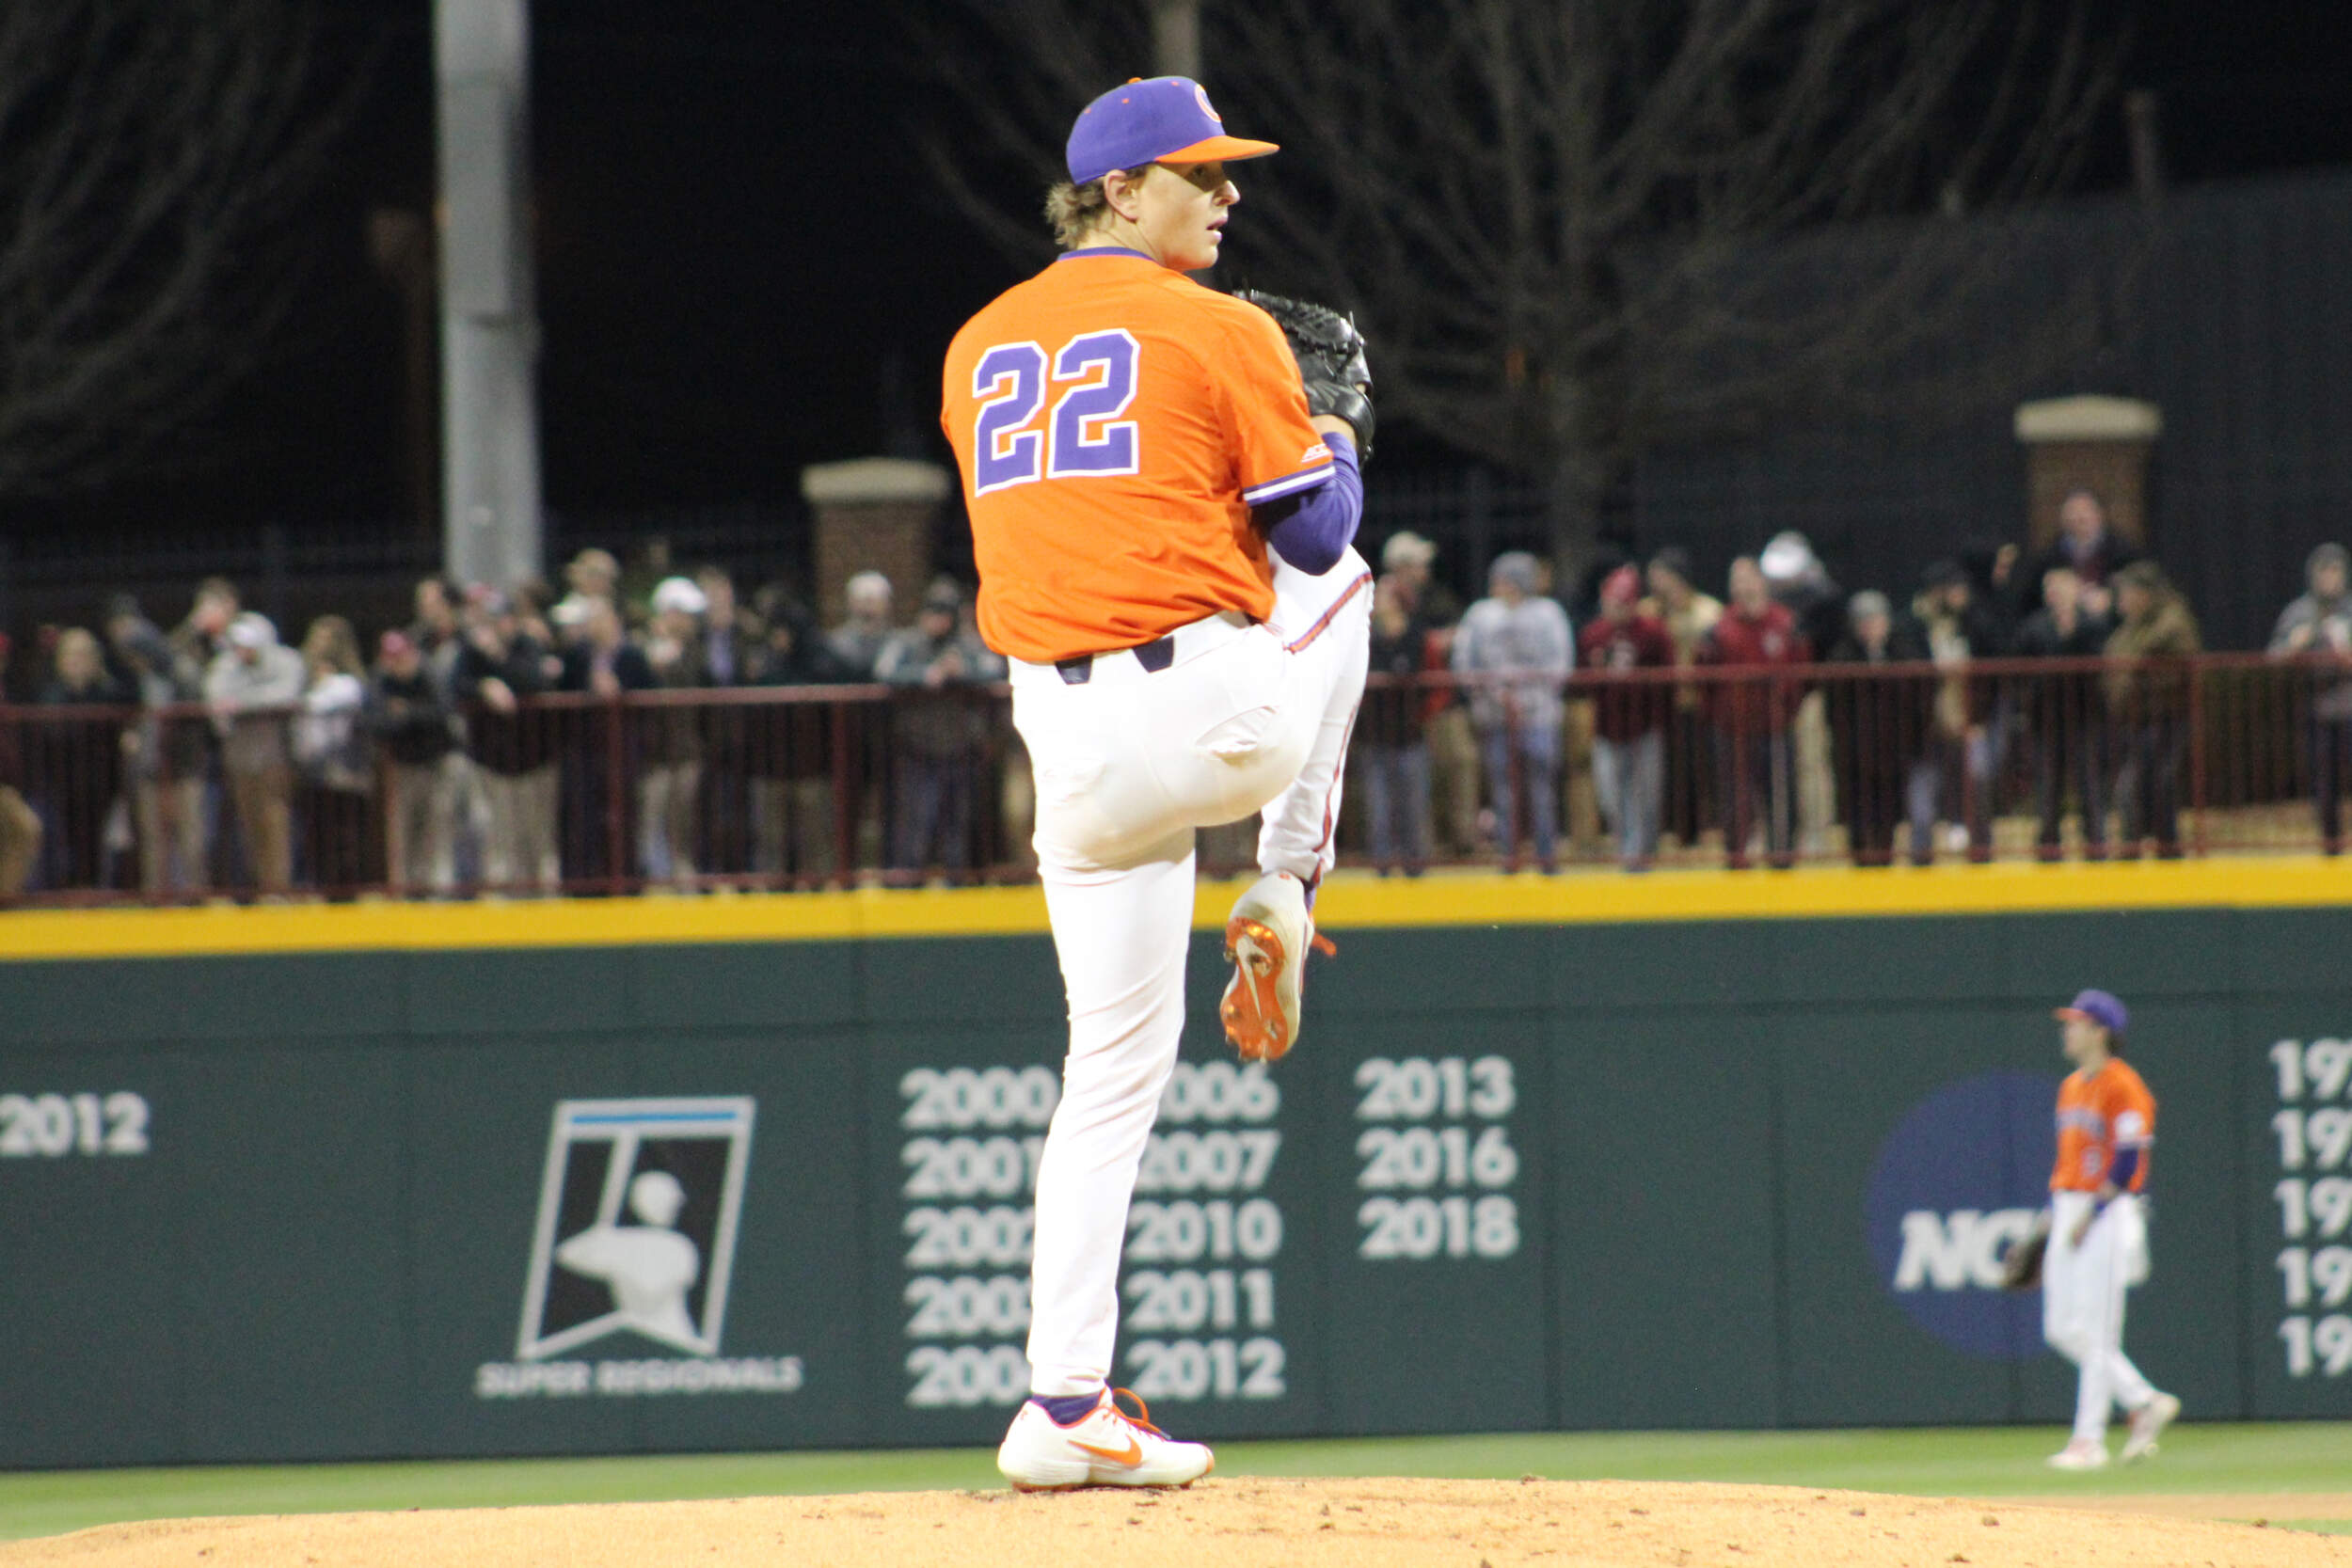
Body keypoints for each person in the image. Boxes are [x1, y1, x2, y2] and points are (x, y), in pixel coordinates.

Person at [940, 74, 1371, 1490]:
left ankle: (1058, 1406)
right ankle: (1291, 879)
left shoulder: (976, 344)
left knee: (1106, 1079)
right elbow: (1314, 538)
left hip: (1064, 757)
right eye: (1202, 172)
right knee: (1358, 580)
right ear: (1122, 189)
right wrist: (1338, 432)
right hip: (1220, 718)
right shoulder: (1214, 323)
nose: (1229, 193)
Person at [2041, 988, 2180, 1470]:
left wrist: (2091, 1215)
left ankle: (2088, 1440)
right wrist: (2051, 1218)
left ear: (2100, 1032)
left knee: (2097, 1331)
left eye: (2076, 1023)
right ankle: (2143, 1401)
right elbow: (2068, 1161)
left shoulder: (2125, 1086)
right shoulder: (2072, 1085)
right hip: (2069, 1204)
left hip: (2108, 1209)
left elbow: (2127, 1162)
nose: (2068, 1030)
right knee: (2062, 1329)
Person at [874, 577, 1006, 880]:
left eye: (944, 614)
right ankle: (909, 886)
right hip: (917, 749)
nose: (939, 621)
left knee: (957, 825)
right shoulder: (907, 642)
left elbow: (994, 669)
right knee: (916, 823)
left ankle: (955, 883)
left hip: (960, 749)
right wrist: (926, 675)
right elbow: (884, 672)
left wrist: (961, 673)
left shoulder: (967, 645)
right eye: (933, 613)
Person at [1452, 551, 1572, 871]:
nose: (1499, 585)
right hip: (1496, 717)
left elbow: (1561, 663)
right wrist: (1490, 695)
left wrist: (1533, 697)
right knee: (1503, 790)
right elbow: (1464, 661)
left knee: (1542, 789)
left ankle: (1546, 855)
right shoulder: (1481, 614)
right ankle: (1510, 855)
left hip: (1540, 716)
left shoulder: (1548, 613)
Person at [1699, 557, 1810, 867]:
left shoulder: (1785, 623)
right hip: (1732, 730)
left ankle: (1782, 863)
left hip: (1775, 727)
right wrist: (1720, 716)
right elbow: (1705, 679)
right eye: (1738, 581)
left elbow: (1801, 673)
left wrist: (1786, 710)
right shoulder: (1719, 629)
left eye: (1750, 579)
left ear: (1762, 583)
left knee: (1781, 799)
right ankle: (1737, 862)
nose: (1744, 587)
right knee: (1734, 802)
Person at [2102, 561, 2201, 858]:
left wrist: (2133, 678)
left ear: (2144, 594)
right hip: (2139, 719)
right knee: (2143, 783)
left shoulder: (2171, 622)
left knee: (2154, 783)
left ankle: (2159, 848)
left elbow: (2162, 667)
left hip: (2166, 718)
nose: (2121, 598)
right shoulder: (2134, 626)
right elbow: (2115, 662)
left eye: (2126, 591)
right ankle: (2152, 846)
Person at [1823, 590, 1931, 866]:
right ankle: (1860, 860)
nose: (1870, 627)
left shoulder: (1902, 652)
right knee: (1857, 812)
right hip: (1856, 752)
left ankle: (1885, 857)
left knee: (1890, 810)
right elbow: (1834, 708)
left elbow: (1918, 697)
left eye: (1876, 620)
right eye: (1864, 621)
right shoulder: (1843, 657)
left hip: (1893, 748)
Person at [1577, 565, 1674, 868]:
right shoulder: (1594, 634)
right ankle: (1628, 849)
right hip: (1607, 729)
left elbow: (1668, 677)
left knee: (1646, 797)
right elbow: (1579, 680)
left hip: (1644, 727)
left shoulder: (1653, 633)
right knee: (1611, 797)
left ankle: (1640, 857)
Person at [2015, 564, 2113, 859]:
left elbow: (2099, 665)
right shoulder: (2034, 627)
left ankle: (2096, 845)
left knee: (2088, 782)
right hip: (2046, 717)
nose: (2055, 595)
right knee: (2048, 786)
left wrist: (2072, 636)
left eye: (2061, 587)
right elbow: (2022, 667)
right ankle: (2048, 847)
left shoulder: (2092, 625)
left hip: (2085, 715)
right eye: (2050, 589)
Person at [203, 612, 306, 894]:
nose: (243, 651)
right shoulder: (226, 665)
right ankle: (262, 885)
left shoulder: (285, 660)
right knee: (250, 823)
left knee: (276, 819)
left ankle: (280, 886)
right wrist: (250, 704)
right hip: (240, 758)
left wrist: (244, 703)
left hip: (275, 757)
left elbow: (286, 694)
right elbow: (216, 699)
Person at [1907, 560, 1998, 863]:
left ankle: (1981, 852)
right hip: (1926, 726)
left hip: (1969, 720)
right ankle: (1922, 857)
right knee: (1924, 796)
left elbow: (1993, 658)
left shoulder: (1973, 623)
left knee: (1978, 782)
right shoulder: (1915, 627)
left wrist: (1979, 716)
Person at [2267, 543, 2352, 852]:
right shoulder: (2299, 612)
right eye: (2324, 572)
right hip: (2315, 709)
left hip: (2350, 706)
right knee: (2324, 782)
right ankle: (2331, 845)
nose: (2330, 579)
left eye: (2336, 571)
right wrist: (2295, 647)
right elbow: (2272, 658)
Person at [369, 630, 463, 896]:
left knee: (437, 828)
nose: (397, 663)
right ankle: (404, 890)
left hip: (437, 764)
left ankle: (438, 890)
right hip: (403, 766)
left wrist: (407, 712)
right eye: (391, 658)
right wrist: (405, 717)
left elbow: (443, 712)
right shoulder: (382, 680)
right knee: (402, 832)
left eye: (401, 656)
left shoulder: (430, 675)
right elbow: (376, 722)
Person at [1357, 571, 1433, 875]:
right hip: (1374, 735)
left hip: (1409, 734)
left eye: (1385, 596)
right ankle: (1383, 866)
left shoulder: (1415, 634)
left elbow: (1415, 673)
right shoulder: (1365, 633)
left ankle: (1415, 865)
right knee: (1378, 810)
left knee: (1413, 807)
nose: (1378, 601)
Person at [293, 616, 374, 892]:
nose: (319, 647)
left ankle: (347, 890)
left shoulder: (348, 683)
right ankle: (322, 888)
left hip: (345, 771)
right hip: (313, 772)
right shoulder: (304, 680)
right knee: (317, 835)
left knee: (345, 835)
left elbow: (322, 705)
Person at [1647, 547, 1723, 849]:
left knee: (1700, 767)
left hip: (1699, 702)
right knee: (1667, 771)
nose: (1654, 583)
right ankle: (1673, 832)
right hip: (1663, 704)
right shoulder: (1649, 612)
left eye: (1660, 576)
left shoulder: (1707, 610)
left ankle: (1702, 831)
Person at [638, 576, 710, 886]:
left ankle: (684, 872)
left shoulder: (696, 651)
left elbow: (697, 684)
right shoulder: (642, 648)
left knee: (684, 817)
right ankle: (655, 876)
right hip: (653, 754)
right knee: (652, 816)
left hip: (687, 749)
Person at [2025, 488, 2142, 621]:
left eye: (2085, 511)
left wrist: (2111, 599)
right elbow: (2031, 600)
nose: (2079, 517)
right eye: (2073, 512)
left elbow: (2138, 590)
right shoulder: (2048, 558)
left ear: (2099, 514)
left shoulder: (2123, 552)